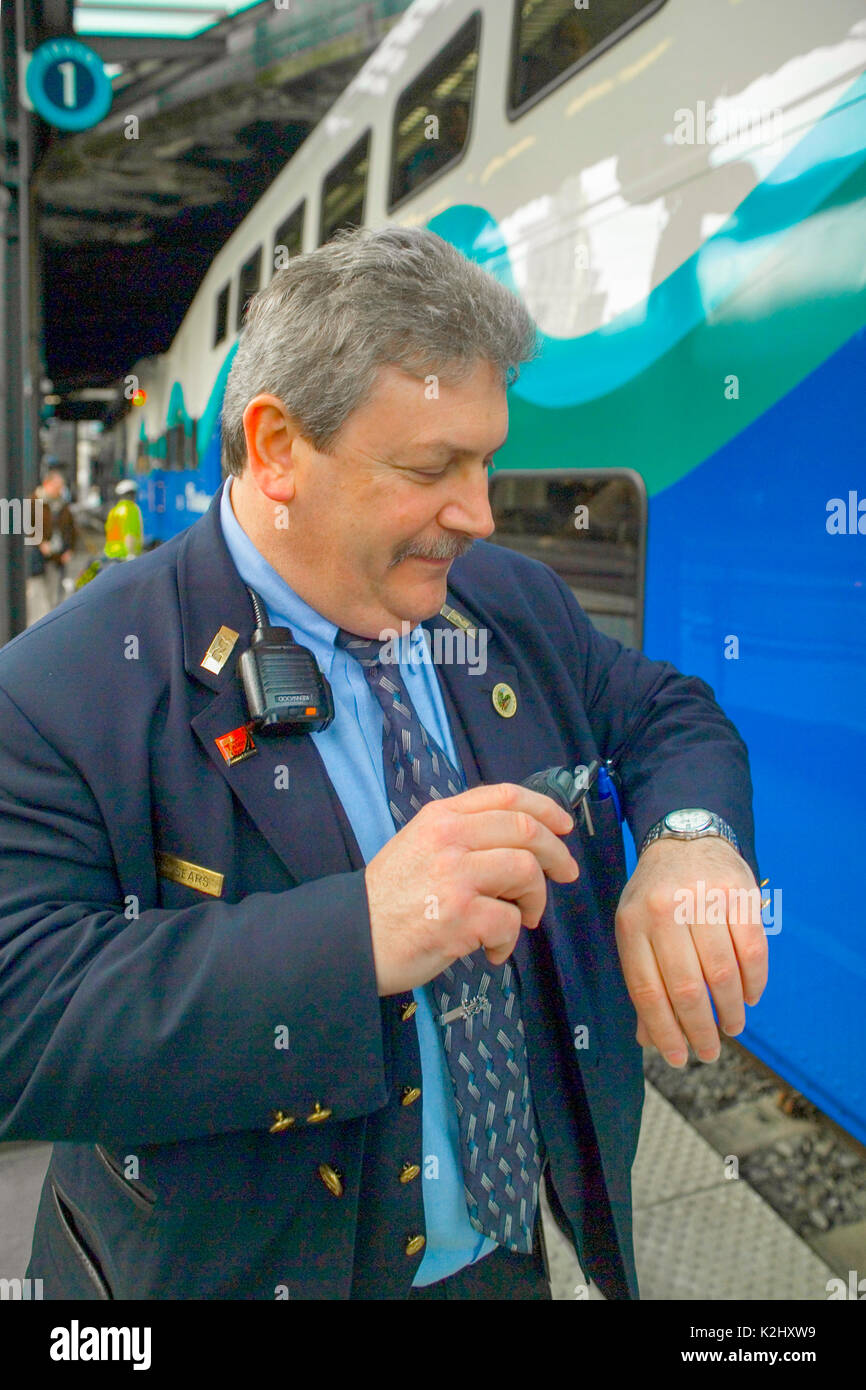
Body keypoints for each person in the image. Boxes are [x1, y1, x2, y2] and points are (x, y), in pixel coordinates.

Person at [0, 227, 767, 1300]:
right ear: (277, 448)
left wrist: (690, 840)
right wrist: (356, 933)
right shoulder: (66, 681)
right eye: (430, 468)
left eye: (486, 461)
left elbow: (663, 712)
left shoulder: (506, 599)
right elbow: (22, 1013)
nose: (479, 513)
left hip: (510, 1260)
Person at [26, 467, 77, 622]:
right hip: (38, 558)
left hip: (57, 557)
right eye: (56, 487)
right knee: (38, 596)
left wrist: (70, 549)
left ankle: (50, 622)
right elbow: (27, 527)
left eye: (61, 487)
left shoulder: (63, 505)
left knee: (55, 596)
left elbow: (71, 529)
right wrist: (40, 543)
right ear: (47, 484)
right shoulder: (33, 502)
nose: (59, 490)